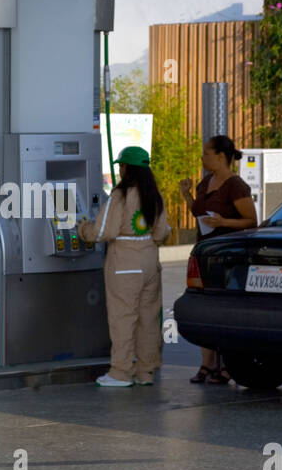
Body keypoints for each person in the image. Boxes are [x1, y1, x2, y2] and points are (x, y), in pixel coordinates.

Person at [78, 146, 172, 387]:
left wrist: (83, 229)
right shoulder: (154, 195)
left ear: (127, 168)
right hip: (150, 262)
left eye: (121, 165)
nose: (119, 169)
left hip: (124, 263)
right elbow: (163, 232)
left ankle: (120, 372)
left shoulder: (120, 195)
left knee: (123, 317)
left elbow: (103, 231)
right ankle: (145, 372)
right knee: (148, 319)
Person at [178, 135, 259, 385]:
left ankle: (226, 366)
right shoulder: (206, 182)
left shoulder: (235, 185)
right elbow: (198, 212)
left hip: (229, 256)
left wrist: (224, 222)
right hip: (205, 253)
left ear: (221, 156)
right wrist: (187, 195)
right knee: (205, 308)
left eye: (206, 153)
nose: (203, 158)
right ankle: (207, 364)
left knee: (226, 310)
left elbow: (251, 221)